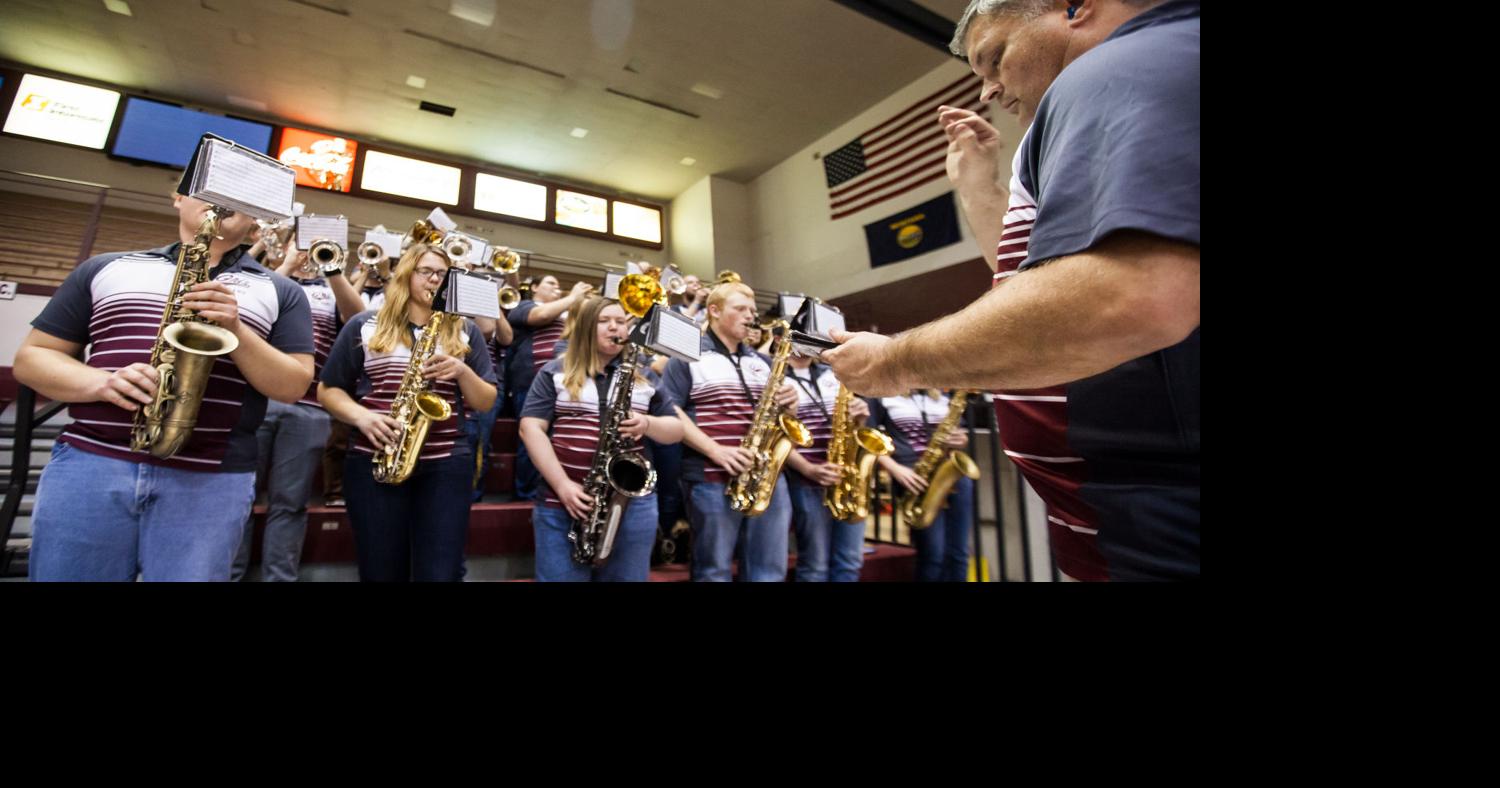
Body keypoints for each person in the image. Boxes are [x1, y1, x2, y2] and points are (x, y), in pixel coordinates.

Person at [824, 0, 1200, 580]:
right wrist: (978, 185)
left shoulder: (1114, 65)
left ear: (1076, 8)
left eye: (995, 59)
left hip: (1166, 512)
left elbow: (1131, 294)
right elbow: (1031, 272)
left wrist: (898, 361)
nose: (988, 92)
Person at [14, 194, 315, 581]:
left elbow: (293, 386)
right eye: (206, 187)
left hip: (212, 479)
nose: (220, 200)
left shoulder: (282, 291)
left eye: (238, 193)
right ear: (177, 198)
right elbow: (32, 359)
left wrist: (237, 329)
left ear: (255, 220)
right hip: (91, 464)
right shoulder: (107, 266)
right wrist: (103, 382)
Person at [318, 243, 498, 581]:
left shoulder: (465, 330)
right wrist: (362, 417)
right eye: (426, 272)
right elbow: (328, 389)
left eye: (443, 275)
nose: (435, 280)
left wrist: (462, 371)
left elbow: (486, 400)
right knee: (380, 570)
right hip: (376, 457)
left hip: (446, 464)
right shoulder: (364, 324)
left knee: (440, 572)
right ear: (406, 275)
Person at [519, 295, 684, 581]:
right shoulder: (554, 371)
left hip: (631, 506)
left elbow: (675, 429)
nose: (614, 328)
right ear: (584, 328)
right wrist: (562, 485)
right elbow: (530, 428)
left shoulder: (643, 376)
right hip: (563, 502)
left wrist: (646, 423)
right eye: (604, 321)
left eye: (620, 321)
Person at [231, 239, 365, 581]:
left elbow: (358, 316)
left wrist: (331, 269)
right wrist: (287, 265)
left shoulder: (330, 288)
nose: (306, 251)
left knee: (289, 504)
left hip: (308, 407)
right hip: (254, 400)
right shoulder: (268, 279)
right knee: (237, 497)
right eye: (299, 242)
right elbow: (246, 311)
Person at [658, 280, 800, 582]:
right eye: (740, 309)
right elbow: (670, 410)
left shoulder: (762, 361)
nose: (750, 315)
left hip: (767, 477)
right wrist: (715, 450)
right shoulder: (687, 355)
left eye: (752, 309)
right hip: (710, 476)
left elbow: (780, 419)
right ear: (714, 311)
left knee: (769, 572)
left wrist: (791, 405)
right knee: (713, 572)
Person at [781, 352, 872, 582]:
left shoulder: (834, 376)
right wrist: (808, 469)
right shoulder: (779, 378)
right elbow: (778, 439)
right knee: (815, 567)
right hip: (806, 480)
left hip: (846, 478)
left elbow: (852, 428)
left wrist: (859, 418)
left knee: (850, 562)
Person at [869, 390, 975, 582]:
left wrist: (962, 439)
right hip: (915, 479)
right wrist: (895, 469)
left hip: (952, 476)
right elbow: (869, 440)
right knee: (933, 554)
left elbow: (961, 435)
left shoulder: (944, 397)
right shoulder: (884, 397)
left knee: (959, 554)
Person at [505, 274, 593, 500]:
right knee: (531, 440)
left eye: (558, 284)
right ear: (534, 288)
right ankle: (525, 496)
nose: (557, 287)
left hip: (566, 384)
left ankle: (547, 490)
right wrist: (573, 297)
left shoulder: (566, 311)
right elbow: (541, 315)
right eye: (550, 283)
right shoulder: (524, 305)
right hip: (531, 380)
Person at [322, 254, 391, 507]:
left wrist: (384, 274)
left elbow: (399, 306)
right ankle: (334, 492)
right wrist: (363, 272)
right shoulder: (351, 284)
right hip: (348, 362)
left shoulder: (389, 289)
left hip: (376, 367)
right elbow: (348, 313)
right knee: (338, 438)